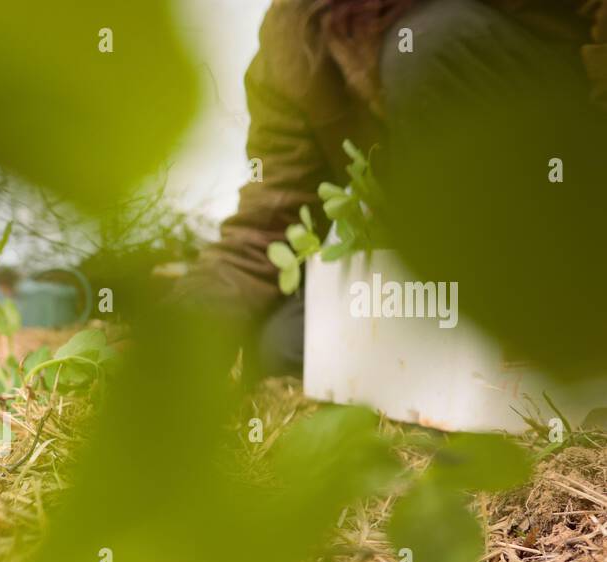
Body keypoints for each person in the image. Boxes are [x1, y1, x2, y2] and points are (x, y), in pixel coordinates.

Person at [179, 0, 607, 380]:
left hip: (563, 211)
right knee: (285, 341)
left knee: (429, 46)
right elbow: (264, 226)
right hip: (442, 264)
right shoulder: (295, 31)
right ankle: (465, 338)